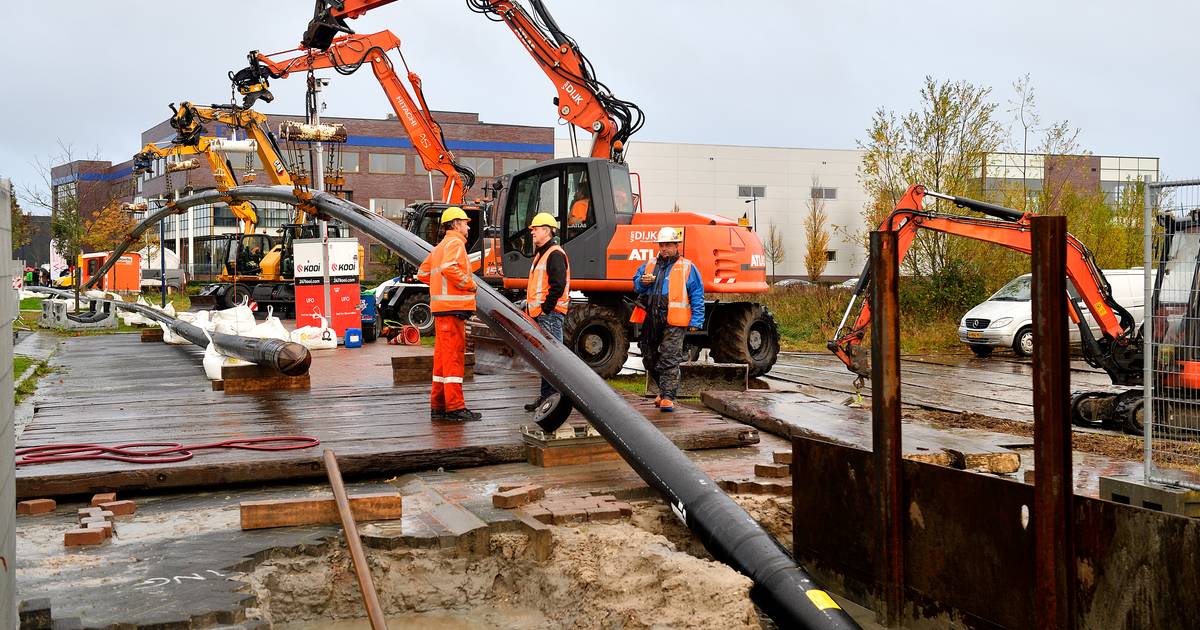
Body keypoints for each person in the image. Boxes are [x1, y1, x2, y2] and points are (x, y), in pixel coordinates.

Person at [417, 207, 482, 422]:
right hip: (453, 310)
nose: (468, 226)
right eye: (465, 222)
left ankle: (438, 405)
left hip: (442, 310)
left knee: (442, 361)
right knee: (454, 359)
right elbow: (450, 268)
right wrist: (470, 285)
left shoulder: (439, 247)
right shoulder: (455, 244)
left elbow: (423, 273)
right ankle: (455, 407)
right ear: (455, 224)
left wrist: (440, 289)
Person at [632, 227, 704, 412]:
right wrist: (642, 282)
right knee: (649, 357)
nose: (664, 248)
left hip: (674, 320)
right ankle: (664, 391)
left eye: (668, 245)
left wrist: (697, 321)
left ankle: (668, 397)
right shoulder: (649, 265)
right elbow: (636, 283)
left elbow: (697, 294)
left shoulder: (687, 266)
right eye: (661, 245)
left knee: (669, 358)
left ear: (676, 245)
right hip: (651, 318)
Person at [522, 212, 570, 412]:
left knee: (551, 359)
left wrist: (545, 309)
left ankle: (553, 401)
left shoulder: (554, 254)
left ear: (547, 230)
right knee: (545, 359)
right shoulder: (542, 254)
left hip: (549, 315)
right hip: (542, 315)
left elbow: (557, 286)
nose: (532, 232)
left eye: (536, 228)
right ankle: (546, 398)